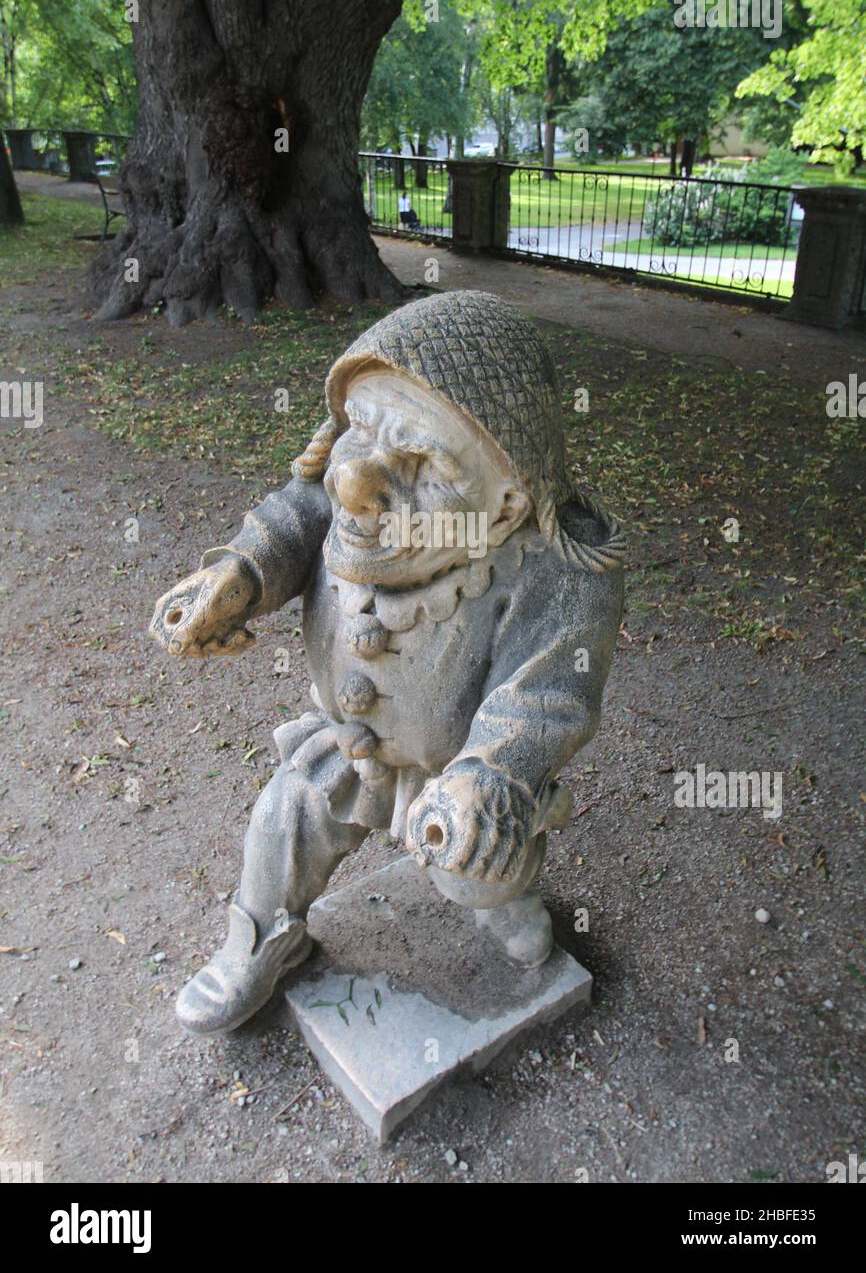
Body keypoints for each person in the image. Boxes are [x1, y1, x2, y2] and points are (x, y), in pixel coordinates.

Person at [149, 291, 625, 1034]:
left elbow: (544, 695)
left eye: (423, 463)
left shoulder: (553, 567)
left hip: (462, 764)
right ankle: (259, 938)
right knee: (285, 817)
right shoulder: (341, 495)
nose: (354, 482)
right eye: (357, 432)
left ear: (504, 505)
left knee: (474, 862)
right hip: (352, 746)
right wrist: (239, 578)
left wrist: (491, 776)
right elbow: (294, 515)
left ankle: (503, 892)